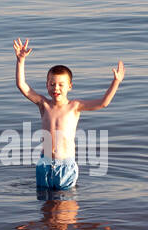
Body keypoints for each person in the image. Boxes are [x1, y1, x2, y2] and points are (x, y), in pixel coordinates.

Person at [13, 38, 124, 190]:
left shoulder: (75, 106)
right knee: (46, 209)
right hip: (44, 165)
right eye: (52, 84)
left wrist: (116, 82)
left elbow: (103, 103)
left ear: (70, 86)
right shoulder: (43, 104)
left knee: (65, 210)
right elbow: (22, 86)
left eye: (61, 84)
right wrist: (20, 60)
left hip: (65, 165)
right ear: (46, 85)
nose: (56, 88)